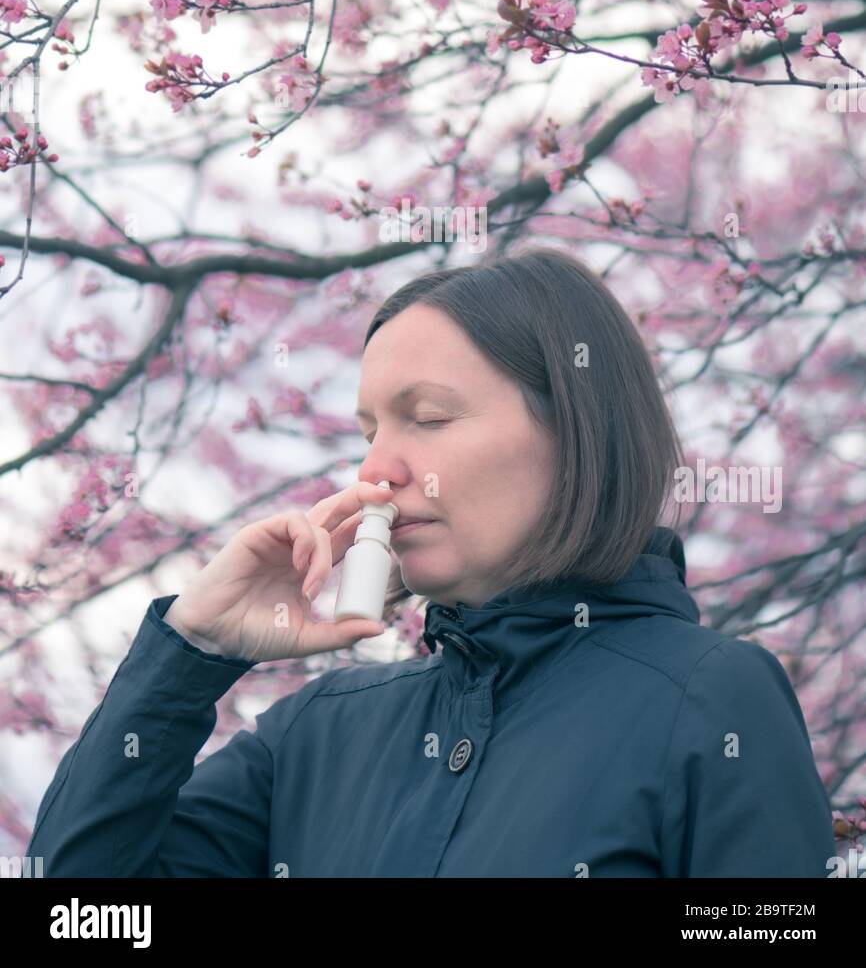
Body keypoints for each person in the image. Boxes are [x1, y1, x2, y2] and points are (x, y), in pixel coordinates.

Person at [27, 246, 837, 877]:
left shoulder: (708, 697)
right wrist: (194, 651)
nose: (375, 470)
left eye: (429, 417)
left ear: (576, 430)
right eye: (368, 431)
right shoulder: (315, 735)